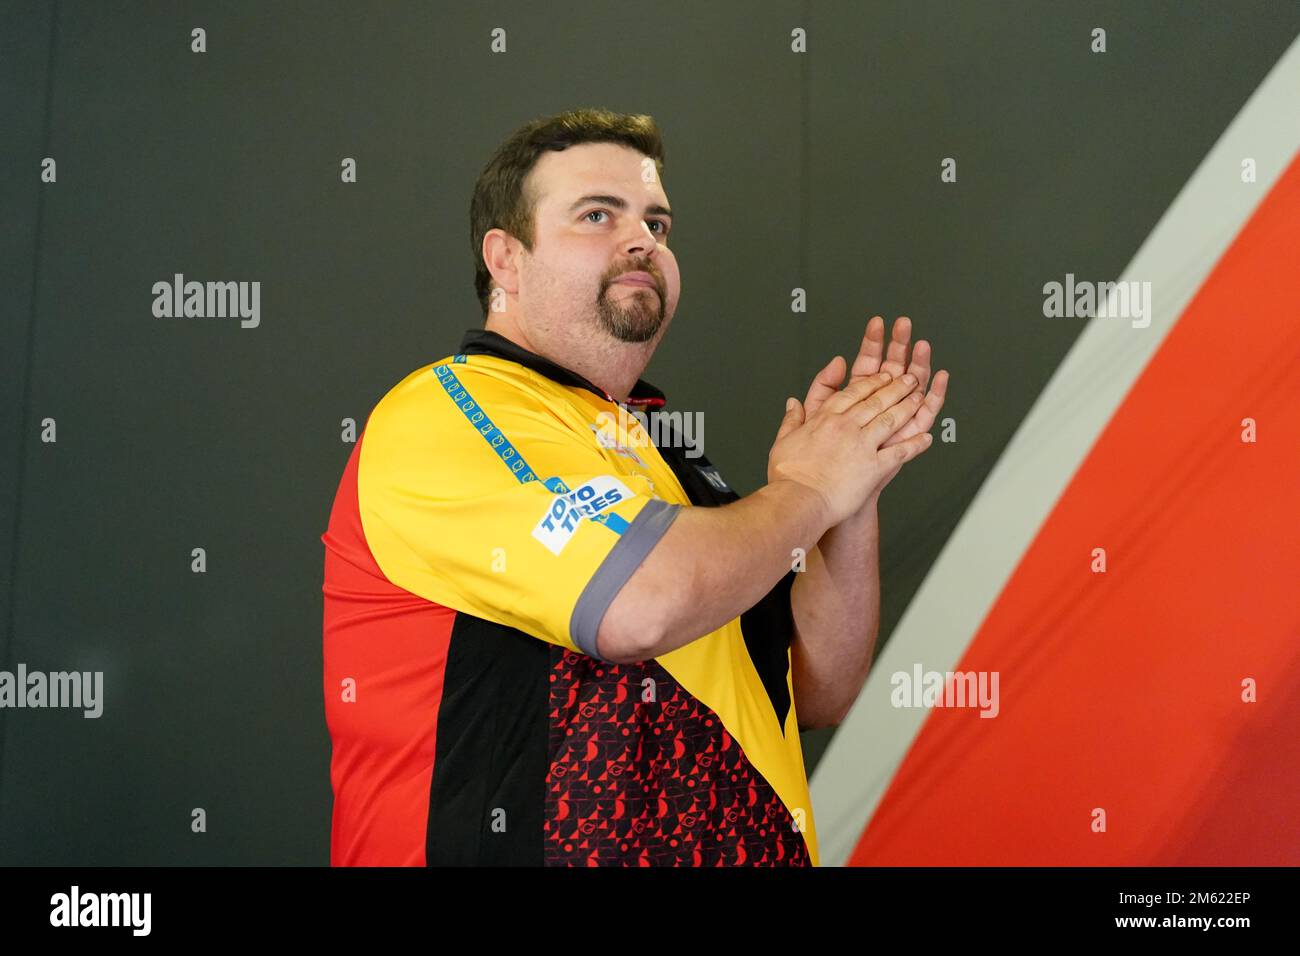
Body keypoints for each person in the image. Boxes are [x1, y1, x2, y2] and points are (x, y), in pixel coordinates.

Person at [321, 108, 949, 866]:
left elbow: (818, 689)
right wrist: (811, 489)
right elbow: (639, 606)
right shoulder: (446, 414)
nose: (641, 240)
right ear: (506, 261)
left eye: (658, 222)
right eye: (597, 214)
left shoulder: (666, 458)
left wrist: (852, 493)